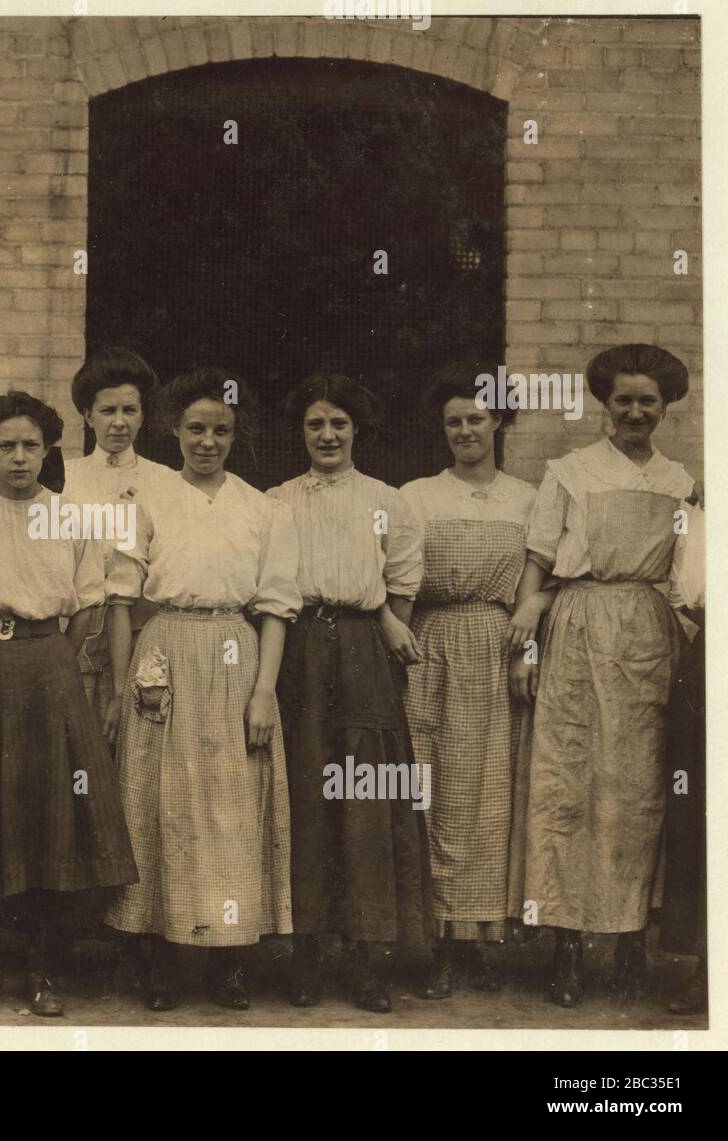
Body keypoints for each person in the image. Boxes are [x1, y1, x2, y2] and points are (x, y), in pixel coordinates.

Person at [0, 390, 137, 1017]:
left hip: (51, 667)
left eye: (29, 446)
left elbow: (89, 605)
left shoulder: (71, 517)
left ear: (48, 449)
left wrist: (54, 658)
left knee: (49, 815)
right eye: (4, 446)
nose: (18, 458)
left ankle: (45, 970)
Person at [506, 343, 694, 1007]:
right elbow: (538, 561)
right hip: (576, 628)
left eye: (648, 401)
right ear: (604, 405)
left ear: (665, 407)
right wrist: (526, 643)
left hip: (646, 635)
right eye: (624, 400)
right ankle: (564, 948)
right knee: (568, 786)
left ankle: (627, 947)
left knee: (636, 792)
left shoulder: (679, 481)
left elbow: (685, 574)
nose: (635, 411)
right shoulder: (569, 471)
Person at [103, 367, 296, 1011]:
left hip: (237, 657)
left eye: (220, 430)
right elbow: (122, 601)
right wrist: (127, 686)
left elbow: (273, 607)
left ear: (236, 437)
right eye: (194, 428)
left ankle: (231, 961)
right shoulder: (148, 499)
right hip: (165, 654)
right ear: (175, 431)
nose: (206, 441)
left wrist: (264, 691)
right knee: (161, 805)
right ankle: (157, 955)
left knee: (231, 809)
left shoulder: (262, 507)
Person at [269, 372, 432, 1013]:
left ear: (357, 430)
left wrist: (386, 621)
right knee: (307, 791)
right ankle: (306, 953)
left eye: (338, 423)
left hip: (365, 650)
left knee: (364, 795)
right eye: (316, 424)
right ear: (301, 433)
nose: (328, 434)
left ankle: (365, 958)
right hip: (299, 649)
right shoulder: (277, 500)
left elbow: (403, 582)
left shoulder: (388, 500)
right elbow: (271, 585)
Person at [400, 362, 546, 997]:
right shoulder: (414, 496)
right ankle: (433, 941)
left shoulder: (529, 499)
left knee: (485, 796)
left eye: (477, 418)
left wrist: (527, 644)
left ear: (500, 422)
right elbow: (393, 581)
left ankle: (473, 939)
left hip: (495, 651)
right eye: (453, 421)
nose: (465, 429)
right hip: (429, 649)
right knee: (428, 789)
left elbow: (541, 586)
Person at [63, 347, 177, 729]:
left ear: (143, 414)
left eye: (129, 410)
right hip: (77, 630)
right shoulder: (64, 479)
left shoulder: (165, 481)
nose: (118, 422)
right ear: (86, 414)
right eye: (107, 411)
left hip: (142, 630)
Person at [661, 488, 705, 1015]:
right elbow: (682, 593)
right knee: (701, 816)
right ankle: (708, 967)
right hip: (709, 659)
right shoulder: (701, 509)